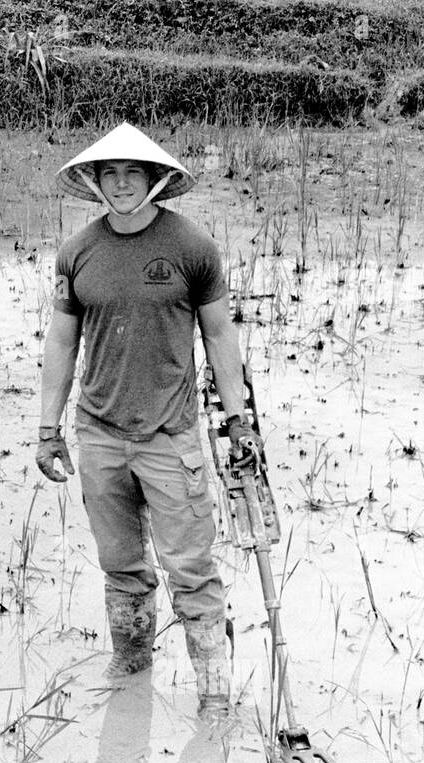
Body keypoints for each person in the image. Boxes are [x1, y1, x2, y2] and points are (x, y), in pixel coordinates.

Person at [36, 122, 262, 715]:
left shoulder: (192, 247)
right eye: (109, 173)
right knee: (121, 564)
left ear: (156, 178)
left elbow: (218, 335)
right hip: (100, 434)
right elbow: (61, 341)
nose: (121, 183)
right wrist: (46, 429)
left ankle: (214, 693)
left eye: (133, 172)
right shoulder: (78, 251)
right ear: (94, 180)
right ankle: (130, 667)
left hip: (171, 435)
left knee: (190, 568)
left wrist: (237, 422)